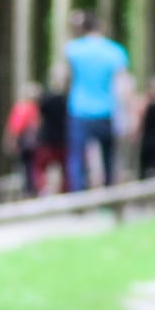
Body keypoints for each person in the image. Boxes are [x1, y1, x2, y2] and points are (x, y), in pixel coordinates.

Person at [63, 11, 131, 190]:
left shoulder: (73, 49)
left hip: (79, 110)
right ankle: (109, 198)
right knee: (108, 158)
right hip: (106, 111)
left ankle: (77, 199)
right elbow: (123, 86)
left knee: (77, 157)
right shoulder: (115, 51)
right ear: (101, 27)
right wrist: (128, 116)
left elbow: (65, 78)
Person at [3, 83, 44, 195]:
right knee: (32, 167)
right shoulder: (38, 109)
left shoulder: (22, 108)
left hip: (26, 143)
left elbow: (15, 127)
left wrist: (11, 141)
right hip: (36, 143)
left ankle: (29, 190)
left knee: (26, 167)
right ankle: (33, 188)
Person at [35, 70, 70, 195]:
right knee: (67, 168)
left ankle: (43, 188)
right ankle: (65, 191)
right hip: (62, 139)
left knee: (39, 167)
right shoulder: (68, 100)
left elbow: (39, 116)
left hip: (48, 140)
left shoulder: (46, 99)